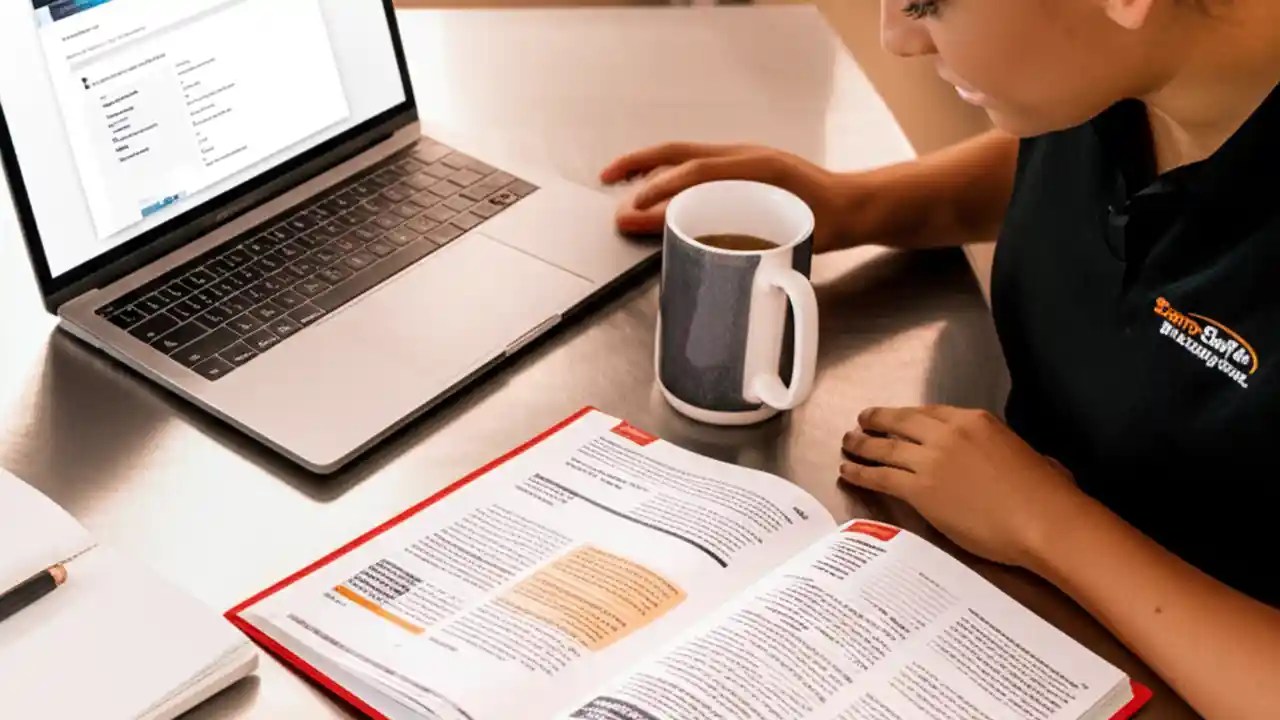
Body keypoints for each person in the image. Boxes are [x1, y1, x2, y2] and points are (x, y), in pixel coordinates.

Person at [600, 0, 1280, 716]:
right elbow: (1078, 158)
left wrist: (1050, 526)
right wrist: (860, 205)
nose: (896, 38)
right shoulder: (1117, 70)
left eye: (929, 2)